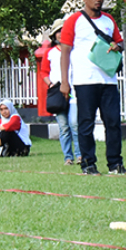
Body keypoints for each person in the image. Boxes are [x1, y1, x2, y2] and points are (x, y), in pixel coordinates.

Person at [60, 0, 126, 175]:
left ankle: (115, 164)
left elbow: (120, 43)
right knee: (86, 123)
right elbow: (65, 52)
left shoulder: (108, 20)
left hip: (108, 80)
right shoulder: (73, 21)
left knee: (113, 122)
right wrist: (65, 81)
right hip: (85, 80)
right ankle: (88, 163)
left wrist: (117, 47)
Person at [44, 21, 79, 164]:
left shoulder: (75, 50)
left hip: (74, 92)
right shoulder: (50, 53)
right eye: (58, 31)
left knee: (75, 123)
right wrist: (51, 84)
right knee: (64, 126)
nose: (61, 34)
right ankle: (68, 157)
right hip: (58, 93)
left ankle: (80, 155)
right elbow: (44, 72)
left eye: (63, 31)